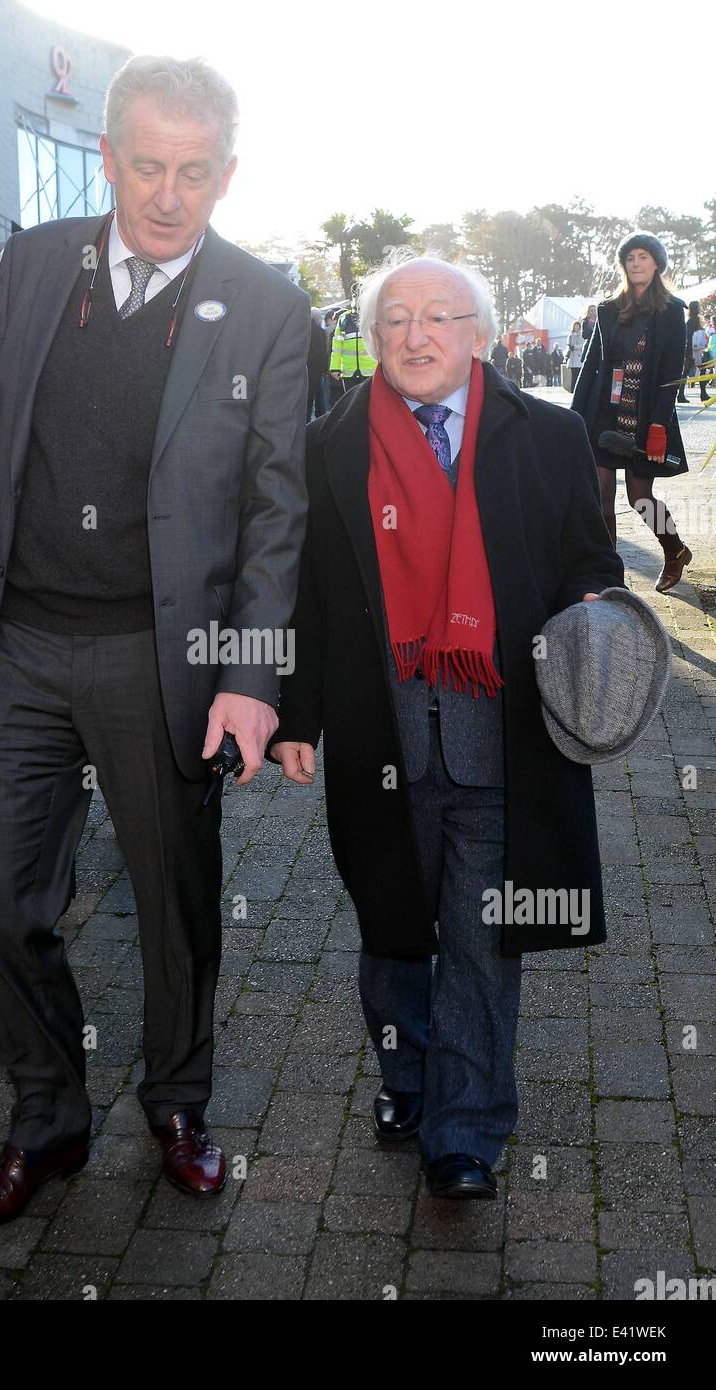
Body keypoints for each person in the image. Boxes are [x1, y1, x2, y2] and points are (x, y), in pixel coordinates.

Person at [0, 55, 310, 1227]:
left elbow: (277, 515)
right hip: (20, 641)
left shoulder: (272, 309)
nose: (168, 194)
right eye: (147, 166)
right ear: (108, 156)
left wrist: (252, 678)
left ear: (226, 174)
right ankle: (48, 1120)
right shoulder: (35, 263)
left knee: (175, 903)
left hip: (162, 658)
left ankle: (178, 1102)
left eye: (194, 173)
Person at [270, 254, 624, 1200]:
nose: (415, 336)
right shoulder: (327, 445)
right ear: (373, 336)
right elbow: (301, 595)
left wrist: (594, 616)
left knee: (479, 933)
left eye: (437, 316)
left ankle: (462, 1131)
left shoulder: (547, 435)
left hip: (503, 729)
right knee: (391, 918)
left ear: (478, 332)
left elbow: (590, 561)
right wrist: (294, 716)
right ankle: (405, 1073)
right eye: (395, 320)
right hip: (376, 727)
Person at [572, 231, 691, 593]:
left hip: (645, 419)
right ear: (623, 265)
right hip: (604, 416)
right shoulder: (608, 309)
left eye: (643, 256)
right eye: (630, 258)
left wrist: (658, 425)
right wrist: (573, 419)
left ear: (656, 263)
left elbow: (672, 374)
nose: (636, 263)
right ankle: (610, 579)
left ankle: (674, 551)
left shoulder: (672, 312)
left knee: (640, 498)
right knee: (601, 497)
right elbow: (591, 365)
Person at [329, 285, 377, 392]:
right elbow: (337, 346)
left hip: (371, 371)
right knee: (351, 404)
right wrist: (335, 368)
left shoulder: (374, 317)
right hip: (349, 372)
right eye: (356, 297)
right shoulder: (344, 319)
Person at [307, 307, 331, 419]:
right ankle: (320, 420)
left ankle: (305, 421)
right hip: (316, 370)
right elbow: (321, 352)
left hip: (303, 369)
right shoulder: (320, 332)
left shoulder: (301, 330)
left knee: (307, 399)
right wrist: (325, 369)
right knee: (320, 398)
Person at [566, 319, 585, 389]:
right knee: (573, 375)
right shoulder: (570, 335)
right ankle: (572, 388)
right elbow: (568, 344)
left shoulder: (581, 334)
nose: (576, 327)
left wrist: (575, 347)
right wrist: (569, 347)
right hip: (572, 357)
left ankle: (577, 388)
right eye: (575, 326)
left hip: (578, 356)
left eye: (577, 326)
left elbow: (583, 345)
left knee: (578, 374)